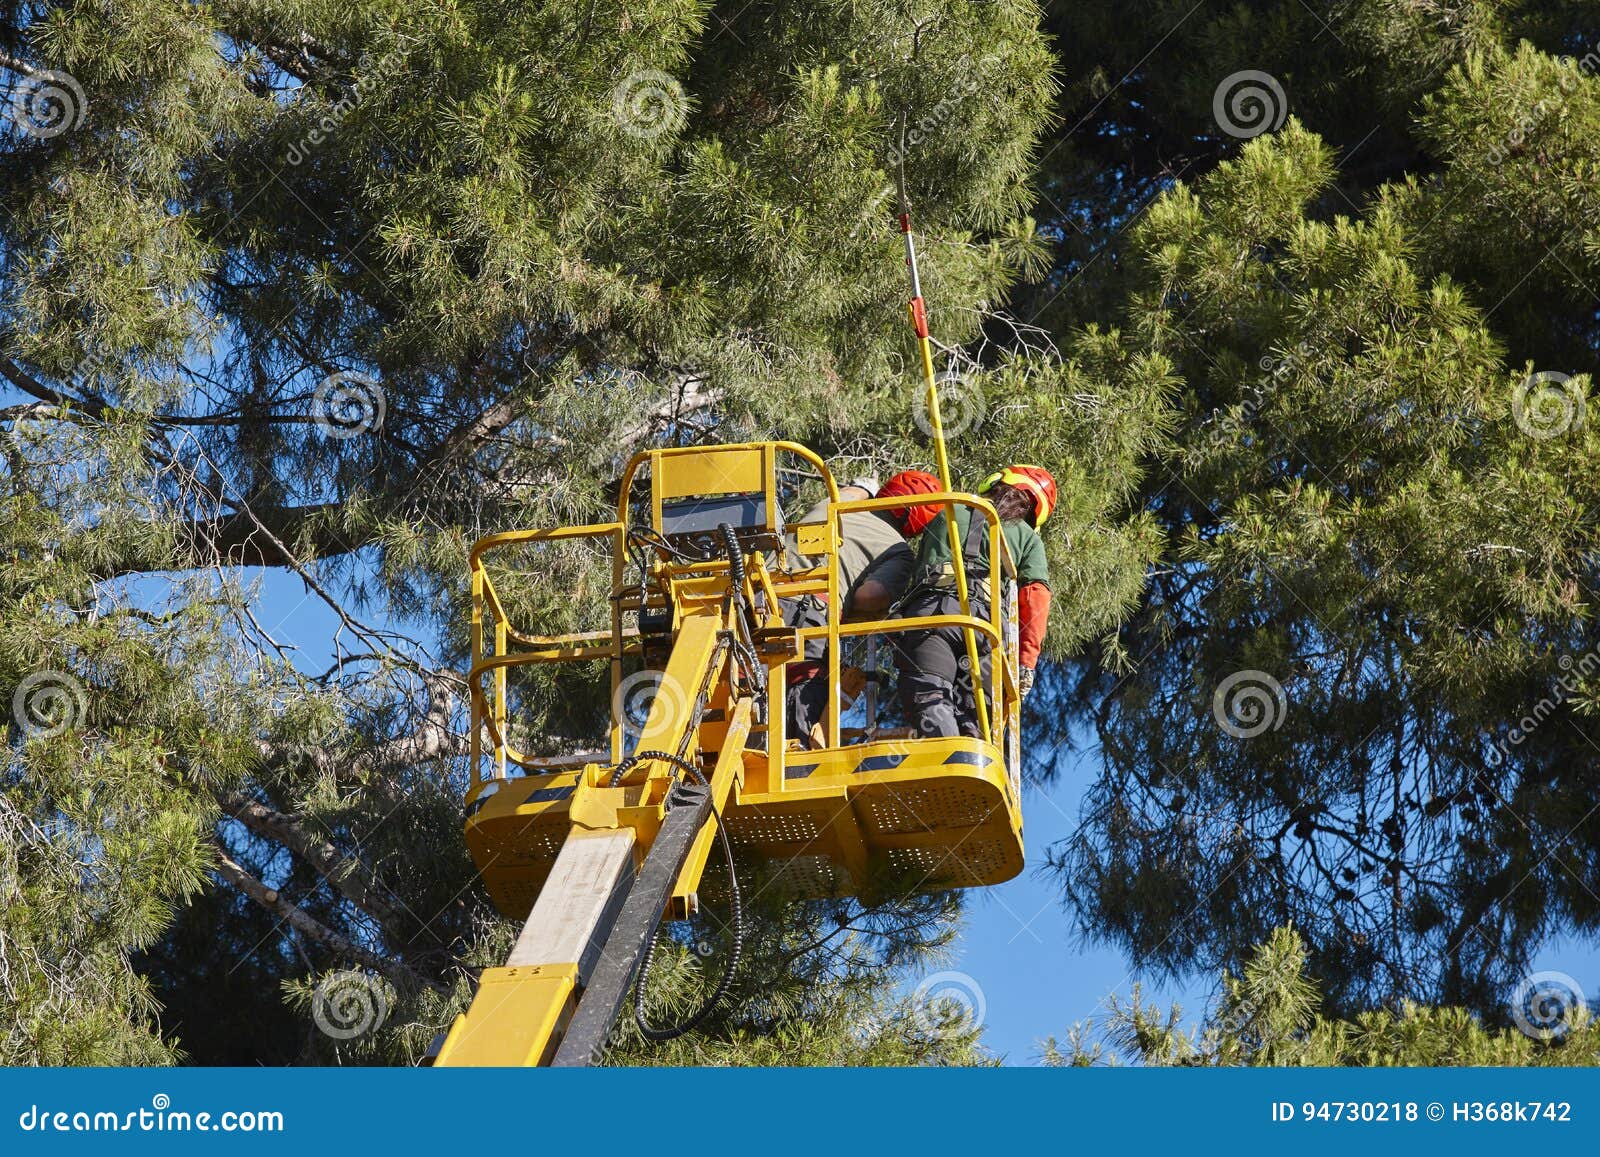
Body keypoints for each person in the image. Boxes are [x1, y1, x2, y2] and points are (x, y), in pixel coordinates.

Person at [893, 464, 1056, 739]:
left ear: (995, 482)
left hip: (934, 619)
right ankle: (969, 761)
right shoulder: (1028, 539)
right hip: (987, 631)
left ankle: (947, 757)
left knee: (929, 698)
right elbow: (1035, 598)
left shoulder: (949, 509)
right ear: (1035, 512)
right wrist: (1025, 664)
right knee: (976, 716)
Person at [784, 469, 942, 747]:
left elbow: (848, 493)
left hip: (752, 600)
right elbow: (870, 596)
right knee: (804, 686)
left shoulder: (832, 504)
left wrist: (863, 489)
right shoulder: (897, 549)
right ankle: (798, 759)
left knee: (741, 681)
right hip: (809, 615)